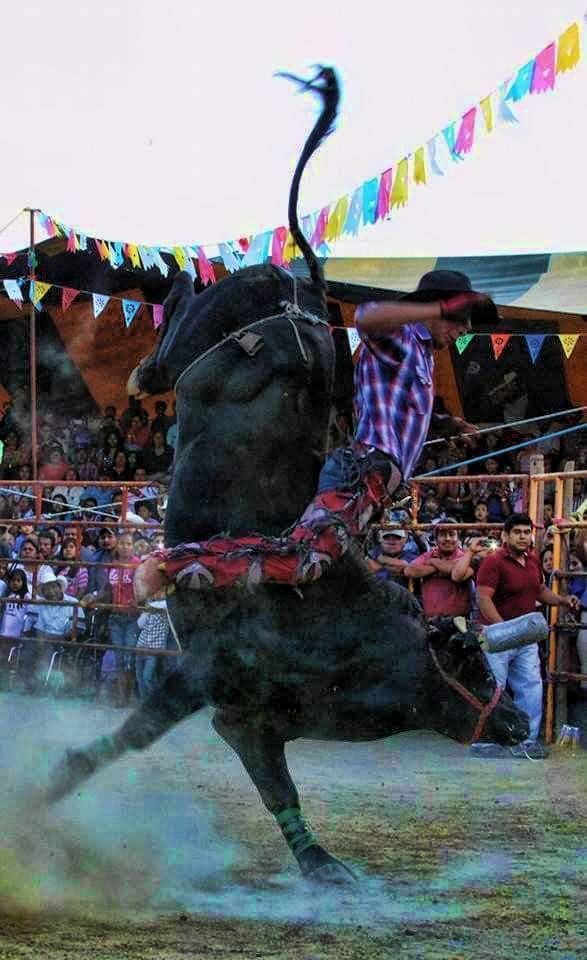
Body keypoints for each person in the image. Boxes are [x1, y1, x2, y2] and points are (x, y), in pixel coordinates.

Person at [135, 270, 497, 600]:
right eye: (460, 319)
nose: (464, 329)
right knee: (305, 559)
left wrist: (445, 423)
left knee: (330, 573)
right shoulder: (401, 335)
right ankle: (170, 566)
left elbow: (399, 404)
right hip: (366, 472)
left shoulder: (422, 353)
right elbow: (366, 317)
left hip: (375, 481)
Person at [475, 513, 580, 760]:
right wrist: (502, 629)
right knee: (495, 688)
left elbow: (540, 590)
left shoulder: (531, 561)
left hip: (524, 636)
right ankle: (487, 740)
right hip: (495, 635)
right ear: (505, 535)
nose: (523, 536)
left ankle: (527, 740)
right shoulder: (494, 562)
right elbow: (483, 598)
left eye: (526, 532)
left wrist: (563, 600)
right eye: (517, 532)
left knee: (531, 687)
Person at [403, 520, 475, 618]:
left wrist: (433, 562)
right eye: (442, 535)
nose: (447, 539)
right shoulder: (429, 555)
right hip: (429, 621)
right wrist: (446, 567)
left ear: (458, 538)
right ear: (436, 539)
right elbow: (409, 571)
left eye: (452, 534)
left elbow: (457, 575)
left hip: (460, 621)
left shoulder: (466, 558)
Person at [135, 591, 171, 701]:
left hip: (153, 650)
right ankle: (144, 703)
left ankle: (154, 702)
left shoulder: (165, 608)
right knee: (140, 678)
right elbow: (140, 624)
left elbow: (164, 604)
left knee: (147, 678)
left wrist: (148, 606)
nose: (155, 595)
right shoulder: (150, 609)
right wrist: (146, 610)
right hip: (141, 647)